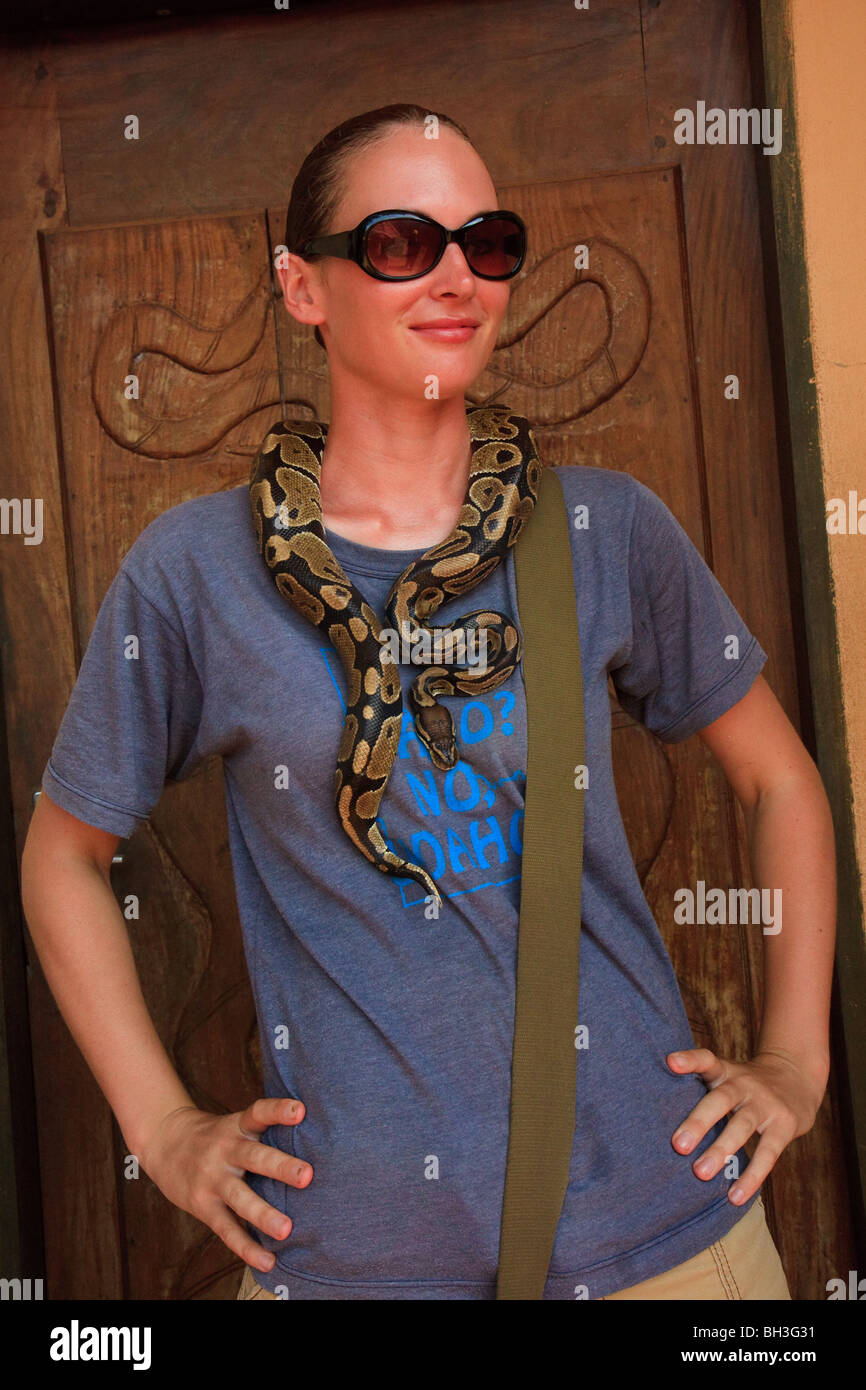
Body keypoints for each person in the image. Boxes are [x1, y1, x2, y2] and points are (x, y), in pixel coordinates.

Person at [22, 104, 835, 1302]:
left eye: (486, 242)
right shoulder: (193, 571)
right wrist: (163, 1126)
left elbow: (778, 781)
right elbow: (62, 856)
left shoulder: (602, 529)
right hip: (346, 1256)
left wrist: (795, 1058)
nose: (456, 276)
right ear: (302, 285)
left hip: (665, 1236)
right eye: (401, 242)